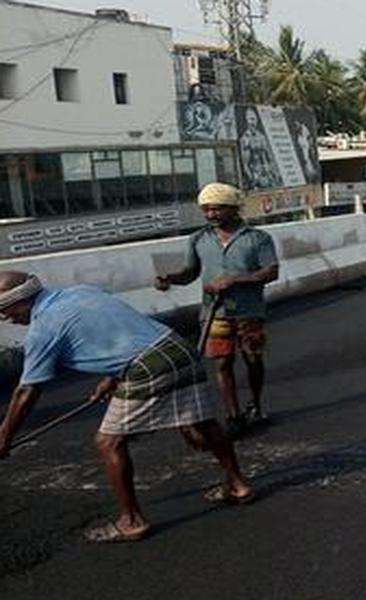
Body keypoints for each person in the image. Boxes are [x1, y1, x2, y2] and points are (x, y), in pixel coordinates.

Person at [0, 272, 253, 543]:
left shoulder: (44, 327)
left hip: (147, 365)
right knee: (204, 423)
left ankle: (131, 521)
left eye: (4, 311)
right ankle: (237, 485)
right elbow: (125, 329)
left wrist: (4, 438)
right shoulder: (81, 292)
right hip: (178, 348)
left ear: (20, 300)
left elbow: (27, 390)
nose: (6, 319)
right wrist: (113, 377)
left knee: (108, 442)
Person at [155, 183, 279, 438]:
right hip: (215, 312)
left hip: (248, 311)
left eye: (217, 209)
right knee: (222, 363)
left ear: (233, 209)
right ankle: (233, 415)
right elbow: (190, 272)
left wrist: (235, 280)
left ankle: (255, 404)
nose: (210, 215)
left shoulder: (258, 238)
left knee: (253, 359)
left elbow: (270, 271)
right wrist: (170, 278)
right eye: (206, 210)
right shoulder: (199, 239)